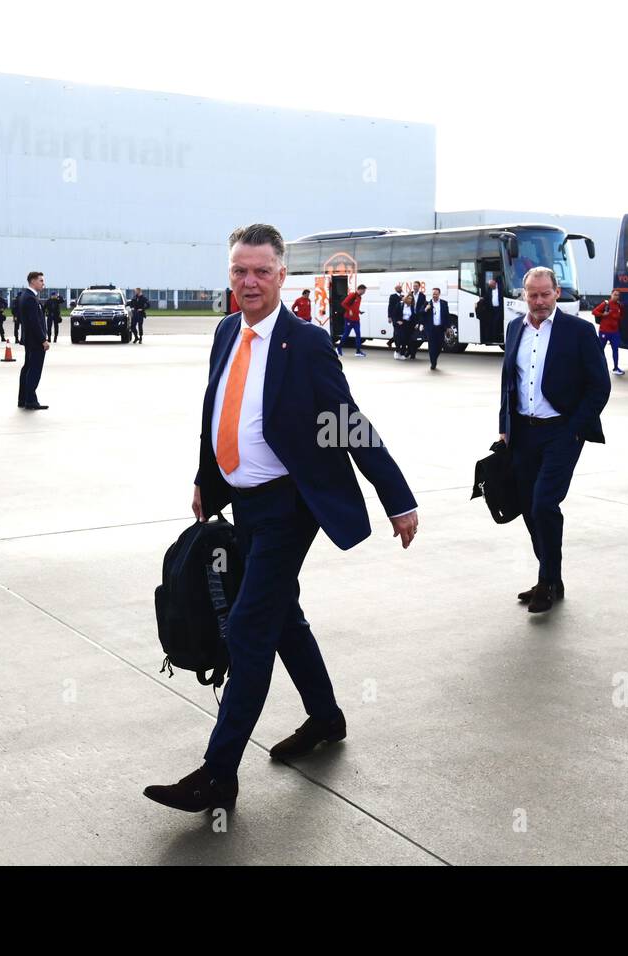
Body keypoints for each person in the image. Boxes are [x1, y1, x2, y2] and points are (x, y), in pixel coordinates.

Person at [142, 224, 418, 814]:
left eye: (261, 272)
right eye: (239, 271)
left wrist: (397, 497)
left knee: (247, 628)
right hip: (244, 502)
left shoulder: (306, 344)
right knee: (280, 614)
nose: (248, 282)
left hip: (291, 507)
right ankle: (325, 717)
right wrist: (205, 477)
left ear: (281, 275)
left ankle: (219, 775)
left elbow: (348, 422)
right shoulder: (224, 332)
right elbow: (216, 409)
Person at [498, 267, 611, 614]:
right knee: (529, 507)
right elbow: (509, 382)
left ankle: (547, 580)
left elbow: (599, 386)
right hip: (523, 432)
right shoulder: (514, 327)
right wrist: (504, 426)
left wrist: (575, 428)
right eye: (532, 294)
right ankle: (551, 577)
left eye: (545, 294)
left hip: (561, 431)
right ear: (524, 295)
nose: (539, 301)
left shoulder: (578, 331)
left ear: (557, 293)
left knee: (545, 503)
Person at [16, 272, 50, 411]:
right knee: (34, 370)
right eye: (41, 280)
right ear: (32, 281)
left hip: (30, 340)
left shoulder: (26, 296)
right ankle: (30, 400)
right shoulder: (30, 298)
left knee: (27, 369)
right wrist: (43, 340)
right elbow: (34, 322)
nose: (43, 283)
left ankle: (23, 399)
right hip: (35, 341)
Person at [592, 289, 625, 375]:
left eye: (618, 295)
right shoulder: (606, 304)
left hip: (614, 332)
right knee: (600, 350)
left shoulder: (619, 305)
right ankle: (596, 368)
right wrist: (603, 314)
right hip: (604, 331)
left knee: (615, 350)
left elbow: (621, 316)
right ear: (611, 295)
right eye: (615, 294)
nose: (616, 296)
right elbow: (594, 312)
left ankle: (616, 368)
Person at [424, 287, 450, 370]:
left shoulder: (444, 303)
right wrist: (426, 309)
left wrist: (447, 328)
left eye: (436, 294)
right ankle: (433, 362)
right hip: (431, 329)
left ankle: (434, 358)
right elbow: (421, 313)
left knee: (440, 346)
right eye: (433, 294)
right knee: (431, 346)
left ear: (439, 294)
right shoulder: (427, 303)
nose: (434, 295)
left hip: (440, 328)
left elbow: (447, 316)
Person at [338, 284, 367, 357]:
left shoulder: (359, 297)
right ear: (360, 289)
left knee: (358, 334)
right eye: (364, 290)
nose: (364, 292)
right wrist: (349, 310)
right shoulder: (352, 295)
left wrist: (359, 311)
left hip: (356, 319)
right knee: (346, 334)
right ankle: (339, 348)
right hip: (349, 319)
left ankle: (358, 351)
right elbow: (343, 303)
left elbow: (355, 306)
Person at [407, 281, 427, 360]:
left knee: (417, 336)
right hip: (410, 318)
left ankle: (413, 352)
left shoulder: (422, 296)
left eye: (416, 286)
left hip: (418, 318)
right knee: (410, 336)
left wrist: (421, 321)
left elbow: (422, 308)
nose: (415, 287)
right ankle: (410, 352)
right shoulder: (410, 294)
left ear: (419, 287)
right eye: (414, 286)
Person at [388, 283, 407, 360]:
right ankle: (397, 350)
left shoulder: (403, 296)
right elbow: (390, 306)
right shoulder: (392, 296)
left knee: (402, 335)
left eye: (400, 287)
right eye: (398, 288)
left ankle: (400, 350)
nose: (399, 289)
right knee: (397, 333)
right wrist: (389, 316)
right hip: (395, 318)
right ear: (395, 289)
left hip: (402, 318)